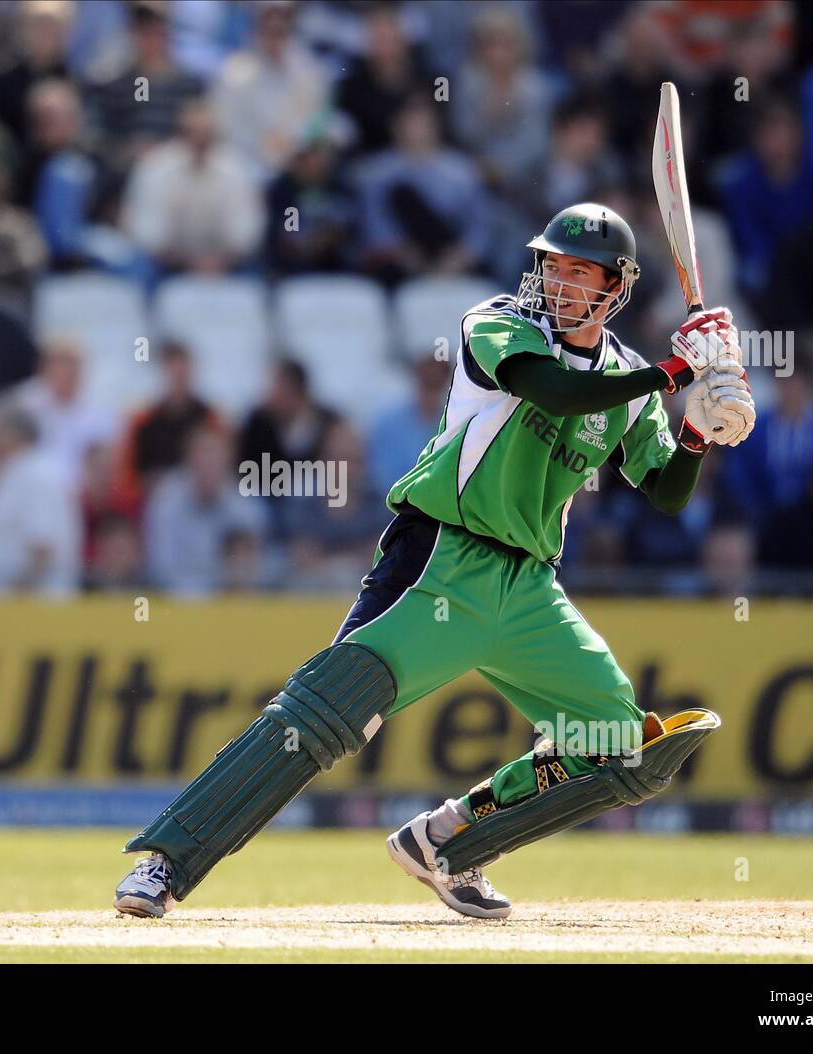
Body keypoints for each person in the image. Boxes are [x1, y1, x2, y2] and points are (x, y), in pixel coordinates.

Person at [113, 203, 755, 919]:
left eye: (580, 273)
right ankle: (165, 863)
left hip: (530, 590)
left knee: (624, 750)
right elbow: (555, 389)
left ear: (615, 286)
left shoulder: (628, 385)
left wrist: (696, 429)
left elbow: (666, 492)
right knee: (328, 713)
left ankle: (449, 843)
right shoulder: (498, 326)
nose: (560, 284)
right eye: (553, 266)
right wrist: (676, 373)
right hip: (440, 561)